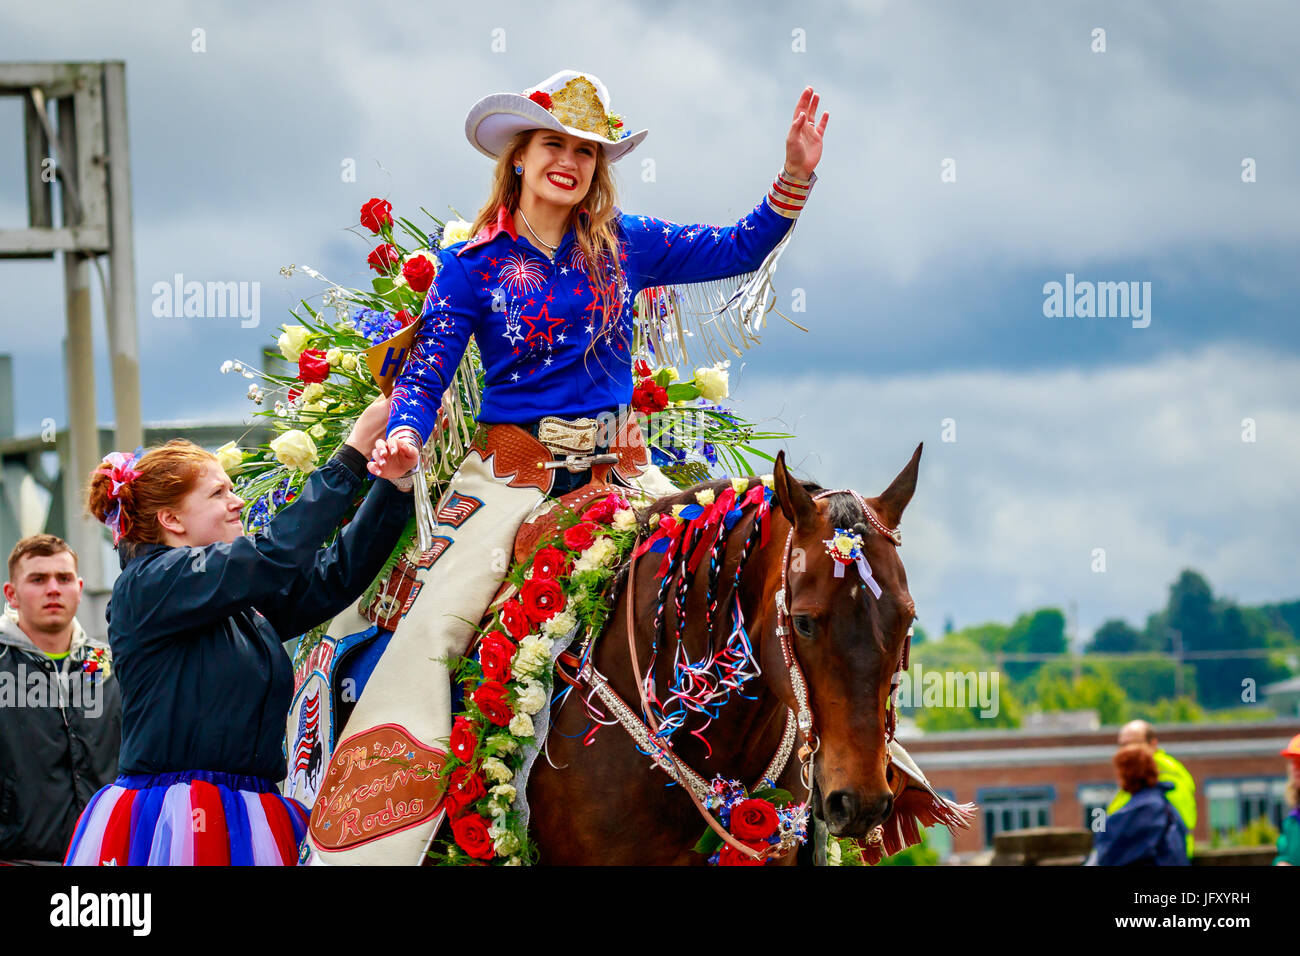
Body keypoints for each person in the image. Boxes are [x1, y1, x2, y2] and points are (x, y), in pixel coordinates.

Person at [311, 69, 828, 864]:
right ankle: (374, 845)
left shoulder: (626, 243)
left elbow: (738, 246)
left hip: (625, 475)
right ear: (518, 157)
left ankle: (818, 783)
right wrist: (407, 437)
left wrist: (795, 176)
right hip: (511, 478)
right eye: (555, 144)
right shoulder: (472, 266)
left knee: (733, 582)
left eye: (587, 151)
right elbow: (426, 376)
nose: (572, 162)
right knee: (433, 633)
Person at [63, 396, 412, 865]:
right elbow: (274, 553)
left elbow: (336, 578)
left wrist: (394, 486)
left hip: (252, 809)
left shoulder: (231, 598)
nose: (238, 501)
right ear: (171, 520)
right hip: (176, 814)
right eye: (218, 493)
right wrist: (351, 455)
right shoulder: (148, 585)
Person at [0, 535, 121, 864]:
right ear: (11, 594)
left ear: (79, 589)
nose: (53, 589)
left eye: (64, 578)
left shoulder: (107, 664)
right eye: (38, 579)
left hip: (102, 856)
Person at [1106, 719, 1196, 858]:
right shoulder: (1134, 778)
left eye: (1133, 744)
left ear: (1152, 744)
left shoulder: (1168, 775)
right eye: (1122, 745)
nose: (1126, 750)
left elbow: (1176, 824)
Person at [1088, 743, 1188, 866]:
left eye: (1120, 770)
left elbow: (1107, 853)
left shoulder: (1142, 810)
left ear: (1127, 773)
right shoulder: (1165, 806)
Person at [1273, 733, 1300, 866]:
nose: (1295, 767)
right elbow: (1286, 854)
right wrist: (1281, 862)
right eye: (1293, 761)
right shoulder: (1292, 821)